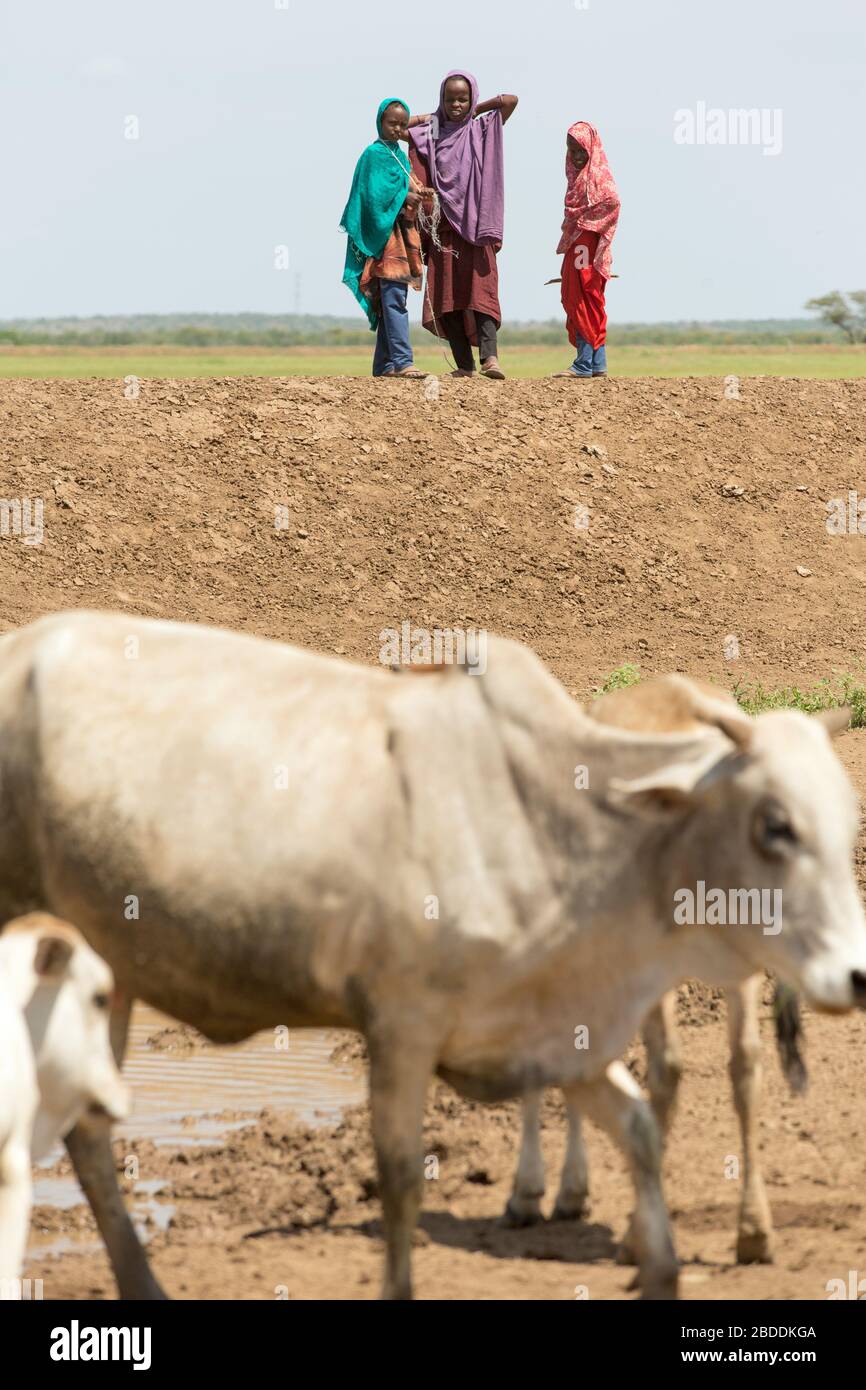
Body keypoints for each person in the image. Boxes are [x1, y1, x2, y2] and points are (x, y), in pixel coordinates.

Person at [409, 72, 518, 379]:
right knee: (449, 298)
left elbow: (510, 101)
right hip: (443, 227)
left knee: (481, 294)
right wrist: (435, 115)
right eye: (449, 99)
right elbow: (404, 127)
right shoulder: (433, 131)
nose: (455, 105)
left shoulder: (481, 127)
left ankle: (490, 359)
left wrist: (475, 110)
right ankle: (464, 366)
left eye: (462, 99)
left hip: (476, 226)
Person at [340, 99, 428, 378]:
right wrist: (405, 197)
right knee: (393, 299)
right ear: (380, 122)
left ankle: (384, 366)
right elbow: (373, 196)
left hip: (401, 238)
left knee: (390, 300)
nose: (397, 129)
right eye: (392, 123)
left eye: (402, 125)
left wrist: (420, 193)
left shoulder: (400, 156)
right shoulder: (373, 155)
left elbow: (409, 183)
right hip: (384, 241)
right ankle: (403, 361)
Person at [552, 122, 621, 380]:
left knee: (584, 297)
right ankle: (596, 363)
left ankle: (584, 364)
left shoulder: (599, 178)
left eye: (582, 151)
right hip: (578, 244)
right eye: (572, 151)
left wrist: (585, 222)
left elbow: (612, 202)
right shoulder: (577, 180)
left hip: (588, 245)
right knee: (582, 298)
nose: (577, 157)